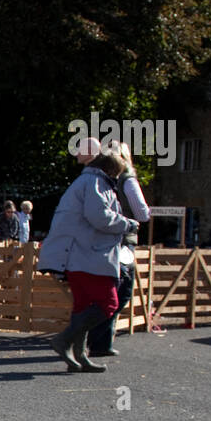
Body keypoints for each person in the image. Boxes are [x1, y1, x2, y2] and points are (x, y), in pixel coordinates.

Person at [38, 149, 137, 372]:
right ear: (111, 169)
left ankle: (79, 354)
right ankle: (64, 340)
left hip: (77, 255)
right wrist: (127, 224)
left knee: (84, 306)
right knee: (108, 303)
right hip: (87, 254)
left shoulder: (88, 181)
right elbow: (100, 217)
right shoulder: (95, 183)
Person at [87, 141, 151, 357]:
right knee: (121, 291)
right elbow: (141, 212)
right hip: (122, 240)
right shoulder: (126, 179)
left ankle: (98, 339)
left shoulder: (95, 179)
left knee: (105, 290)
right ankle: (97, 339)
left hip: (98, 239)